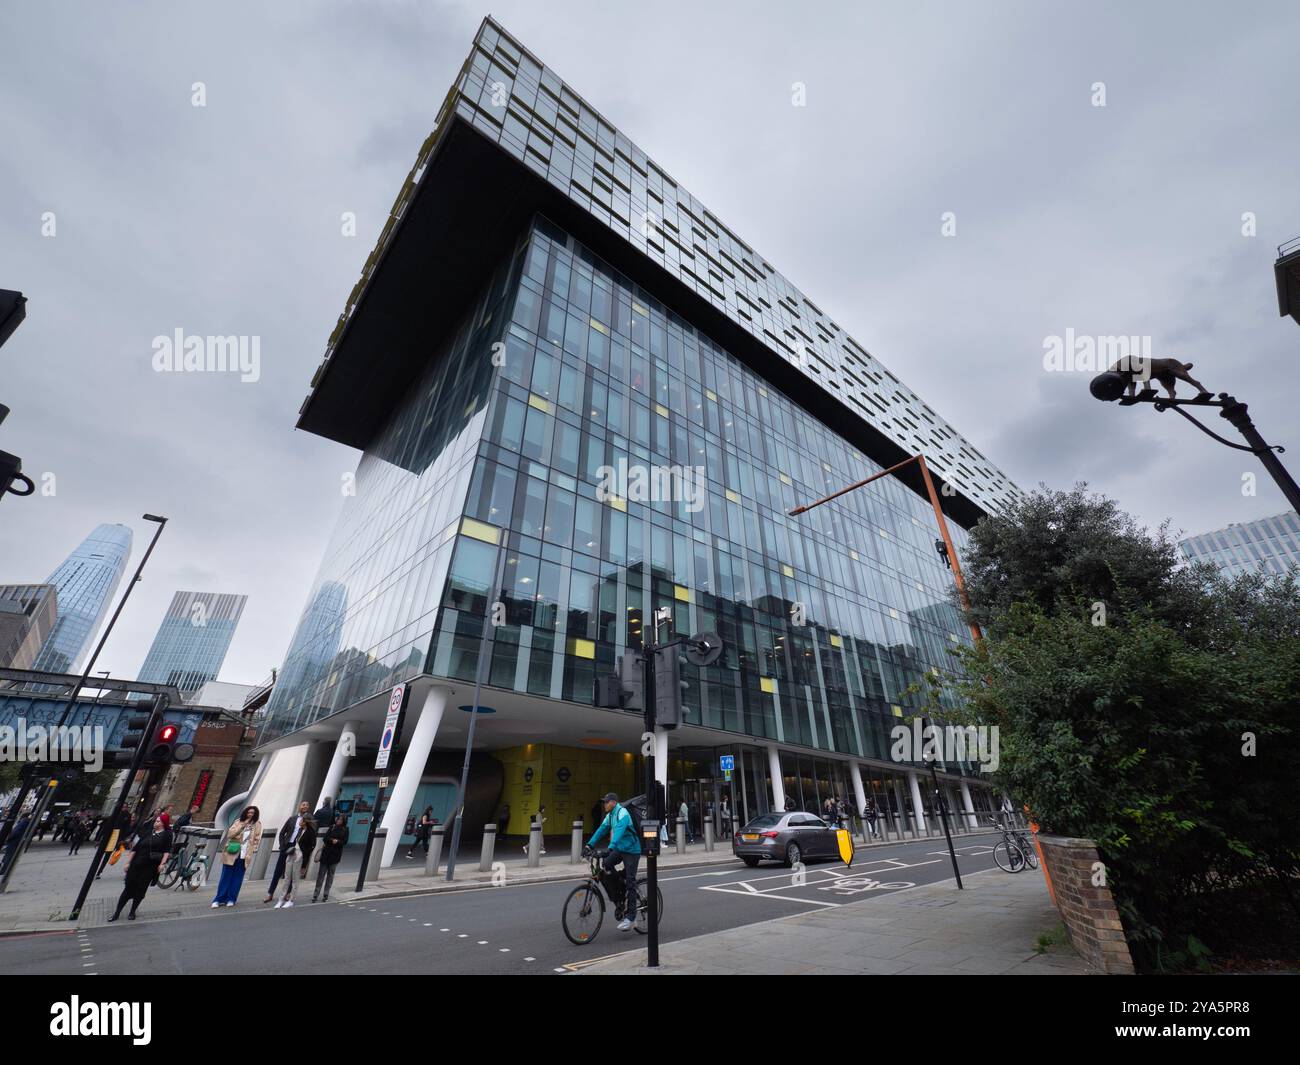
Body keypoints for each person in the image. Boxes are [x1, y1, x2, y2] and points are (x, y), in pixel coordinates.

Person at [585, 793, 641, 932]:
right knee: (607, 865)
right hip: (621, 848)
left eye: (606, 802)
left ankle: (631, 918)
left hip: (632, 850)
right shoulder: (609, 816)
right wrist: (589, 846)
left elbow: (619, 832)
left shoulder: (623, 813)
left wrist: (609, 849)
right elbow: (601, 830)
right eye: (604, 802)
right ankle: (619, 893)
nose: (604, 805)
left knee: (630, 881)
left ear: (614, 803)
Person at [108, 813, 173, 922]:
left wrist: (162, 864)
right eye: (156, 821)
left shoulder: (167, 835)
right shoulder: (148, 833)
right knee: (127, 889)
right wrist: (127, 863)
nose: (156, 823)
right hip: (136, 864)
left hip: (150, 867)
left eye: (158, 821)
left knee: (140, 890)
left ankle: (132, 911)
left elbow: (166, 851)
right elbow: (135, 849)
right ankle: (117, 913)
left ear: (163, 823)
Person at [212, 805, 262, 908]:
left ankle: (231, 899)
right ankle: (218, 899)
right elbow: (230, 834)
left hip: (245, 855)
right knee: (225, 876)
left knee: (237, 878)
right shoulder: (238, 821)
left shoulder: (257, 824)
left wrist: (253, 848)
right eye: (249, 812)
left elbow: (257, 838)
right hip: (232, 852)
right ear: (245, 813)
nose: (250, 815)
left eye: (252, 813)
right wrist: (243, 825)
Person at [264, 801, 312, 904]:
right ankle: (270, 893)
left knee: (292, 872)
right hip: (286, 847)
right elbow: (282, 833)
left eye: (307, 805)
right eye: (303, 804)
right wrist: (282, 846)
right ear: (300, 806)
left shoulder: (308, 821)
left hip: (297, 848)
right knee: (278, 871)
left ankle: (288, 893)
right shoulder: (292, 819)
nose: (305, 806)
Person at [274, 807, 316, 908]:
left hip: (300, 855)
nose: (300, 821)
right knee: (287, 877)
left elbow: (311, 847)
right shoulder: (300, 830)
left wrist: (304, 864)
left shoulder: (310, 832)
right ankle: (281, 899)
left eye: (302, 820)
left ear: (305, 821)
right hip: (292, 852)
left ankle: (291, 900)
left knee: (295, 879)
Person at [312, 812, 349, 902]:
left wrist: (338, 842)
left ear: (344, 821)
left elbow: (345, 841)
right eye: (338, 819)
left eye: (341, 819)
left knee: (330, 875)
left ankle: (326, 894)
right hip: (326, 853)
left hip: (335, 855)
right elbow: (325, 838)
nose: (338, 821)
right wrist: (332, 840)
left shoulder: (345, 829)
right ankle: (316, 894)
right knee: (321, 875)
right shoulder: (332, 827)